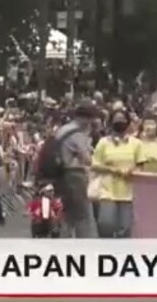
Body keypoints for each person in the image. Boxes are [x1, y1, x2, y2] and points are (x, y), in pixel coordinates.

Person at [90, 109, 142, 238]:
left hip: (128, 192)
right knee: (105, 224)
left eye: (123, 120)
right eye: (116, 120)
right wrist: (113, 170)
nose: (120, 122)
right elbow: (95, 165)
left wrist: (132, 171)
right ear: (111, 123)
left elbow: (141, 166)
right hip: (107, 191)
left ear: (128, 123)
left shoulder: (136, 144)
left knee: (125, 229)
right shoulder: (103, 143)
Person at [53, 101, 99, 238]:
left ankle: (66, 240)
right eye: (91, 118)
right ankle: (83, 244)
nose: (92, 122)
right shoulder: (76, 133)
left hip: (61, 174)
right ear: (84, 118)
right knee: (82, 214)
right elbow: (87, 158)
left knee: (68, 213)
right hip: (74, 174)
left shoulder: (63, 129)